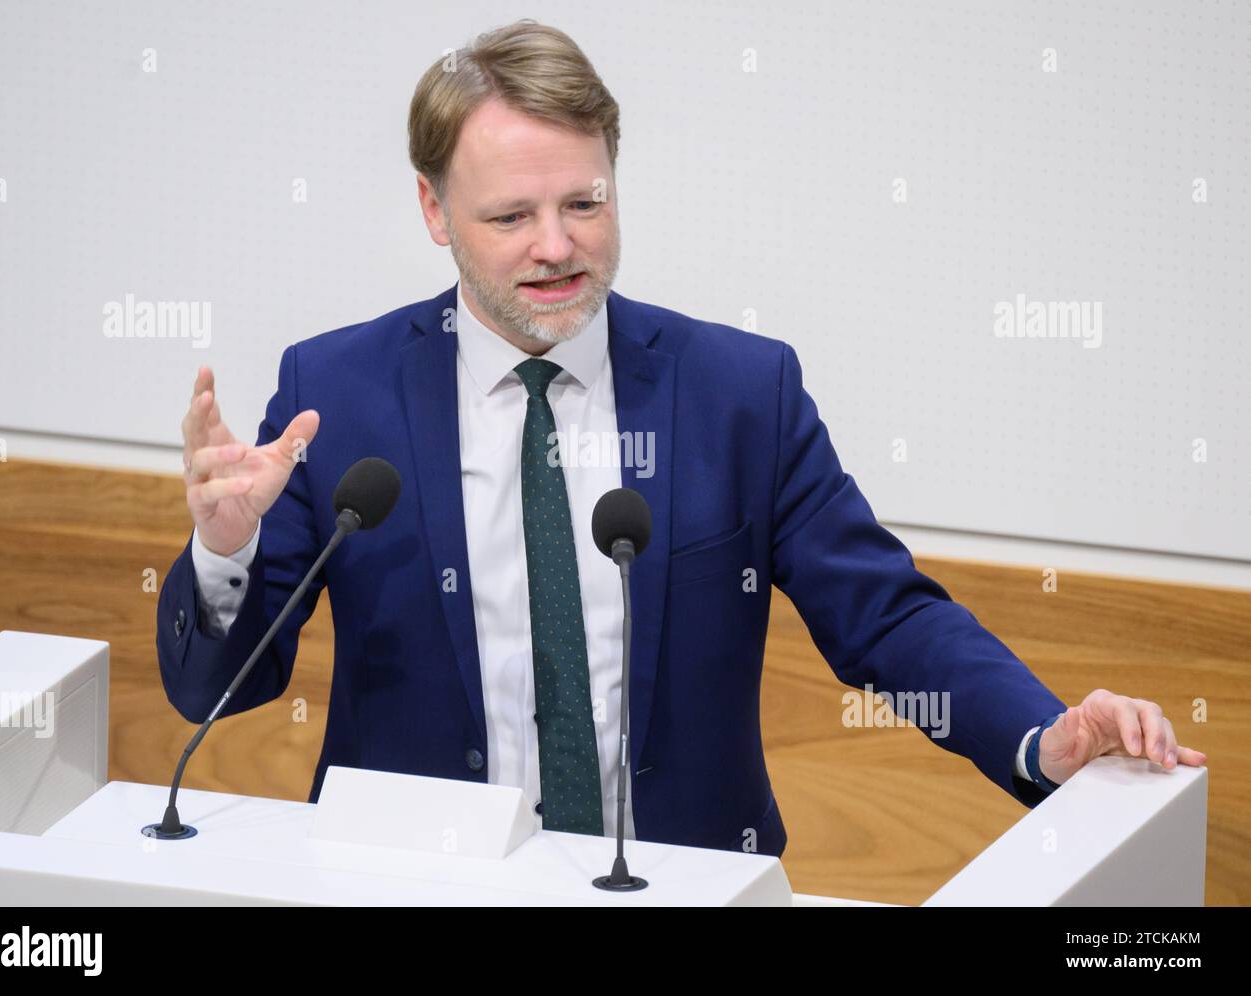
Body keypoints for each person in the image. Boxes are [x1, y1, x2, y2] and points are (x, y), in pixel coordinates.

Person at [157, 19, 1205, 856]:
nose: (557, 247)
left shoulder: (739, 393)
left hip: (678, 883)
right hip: (412, 883)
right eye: (511, 217)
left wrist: (1040, 735)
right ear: (434, 211)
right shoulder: (336, 392)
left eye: (584, 202)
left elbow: (885, 616)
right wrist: (224, 551)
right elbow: (222, 687)